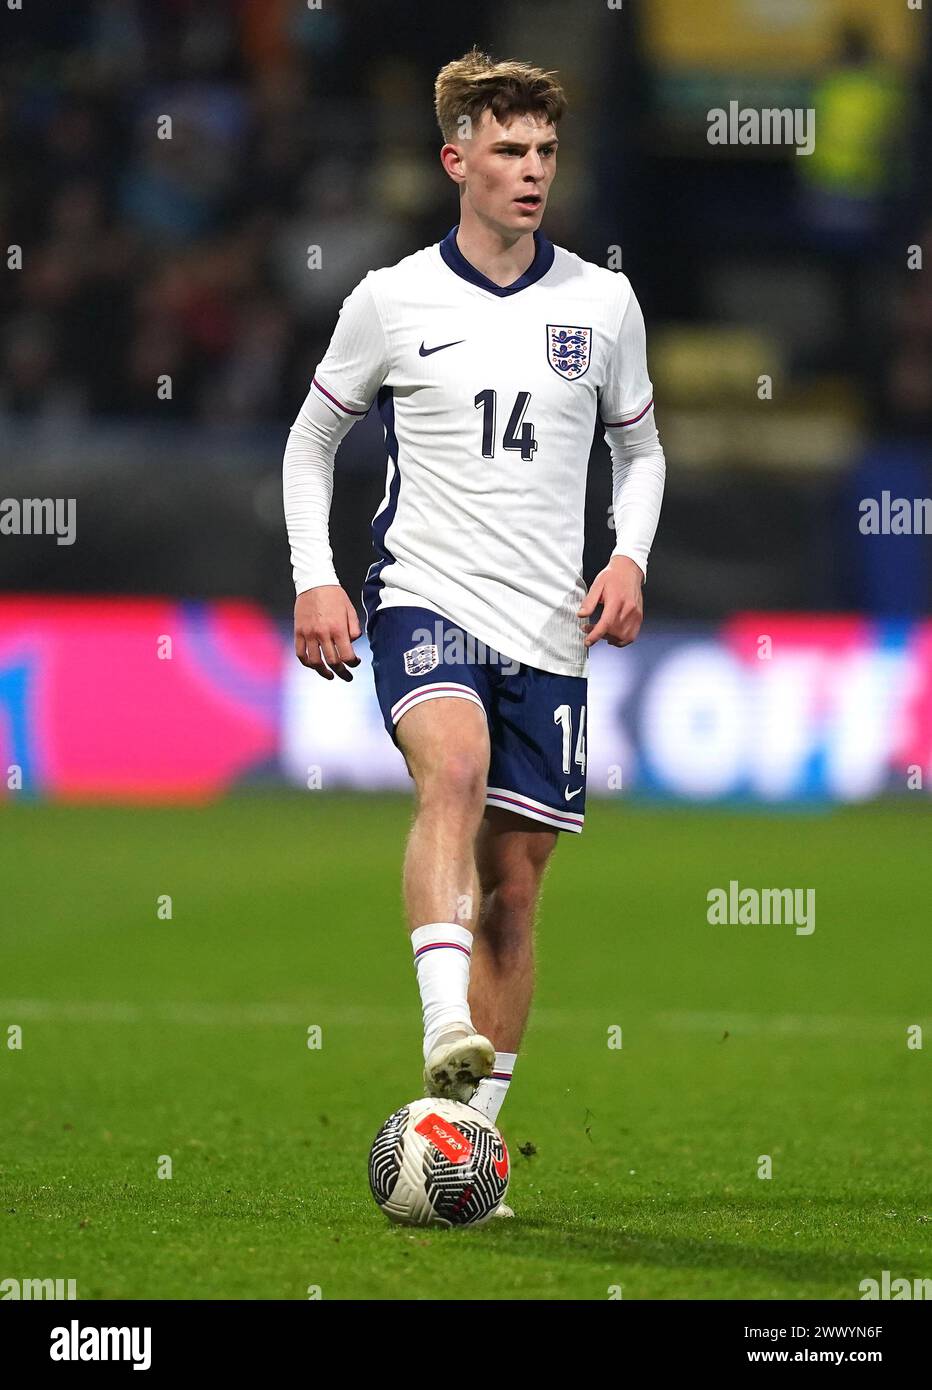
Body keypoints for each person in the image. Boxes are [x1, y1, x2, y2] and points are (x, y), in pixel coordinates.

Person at [282, 49, 665, 1208]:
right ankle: (441, 1020)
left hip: (549, 627)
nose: (531, 170)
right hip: (423, 596)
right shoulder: (392, 299)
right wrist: (316, 576)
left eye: (545, 151)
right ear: (456, 160)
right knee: (449, 767)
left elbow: (638, 450)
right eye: (507, 149)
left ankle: (466, 1148)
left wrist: (628, 556)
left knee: (515, 883)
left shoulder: (600, 303)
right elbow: (309, 443)